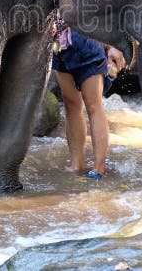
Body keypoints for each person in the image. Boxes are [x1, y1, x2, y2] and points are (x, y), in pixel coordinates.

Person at [52, 30, 126, 180]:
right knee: (71, 106)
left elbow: (106, 11)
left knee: (93, 106)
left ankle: (99, 168)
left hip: (89, 43)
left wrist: (113, 45)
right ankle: (76, 164)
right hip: (60, 45)